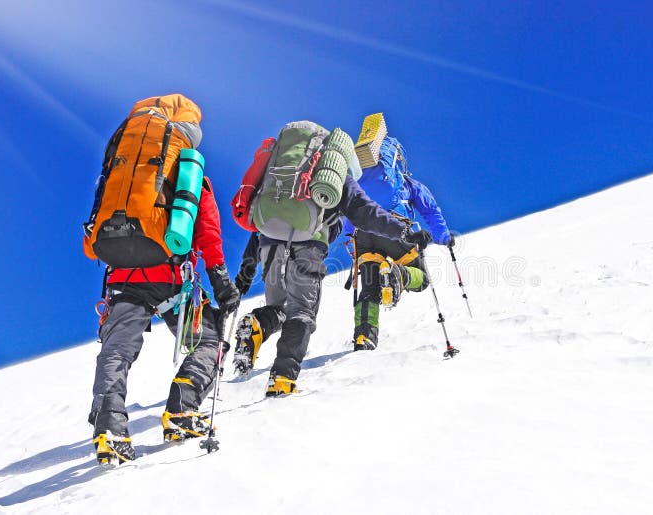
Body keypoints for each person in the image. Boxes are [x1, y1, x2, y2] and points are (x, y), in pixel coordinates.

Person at [84, 95, 240, 465]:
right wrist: (220, 279)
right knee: (210, 340)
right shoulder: (185, 168)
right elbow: (207, 228)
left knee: (116, 351)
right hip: (172, 276)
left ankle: (109, 427)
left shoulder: (120, 162)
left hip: (122, 276)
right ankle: (182, 411)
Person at [232, 121, 432, 397]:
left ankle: (257, 323)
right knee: (302, 312)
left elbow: (255, 224)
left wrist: (245, 272)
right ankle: (282, 380)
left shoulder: (279, 171)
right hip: (309, 243)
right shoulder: (331, 172)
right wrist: (403, 231)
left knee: (278, 308)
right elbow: (364, 212)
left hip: (268, 241)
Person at [347, 123, 453, 351]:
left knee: (369, 290)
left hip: (363, 238)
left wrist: (351, 236)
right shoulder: (406, 183)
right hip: (396, 230)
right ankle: (399, 274)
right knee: (421, 279)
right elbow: (430, 210)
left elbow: (349, 214)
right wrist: (443, 236)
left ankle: (364, 338)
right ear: (397, 160)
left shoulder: (358, 182)